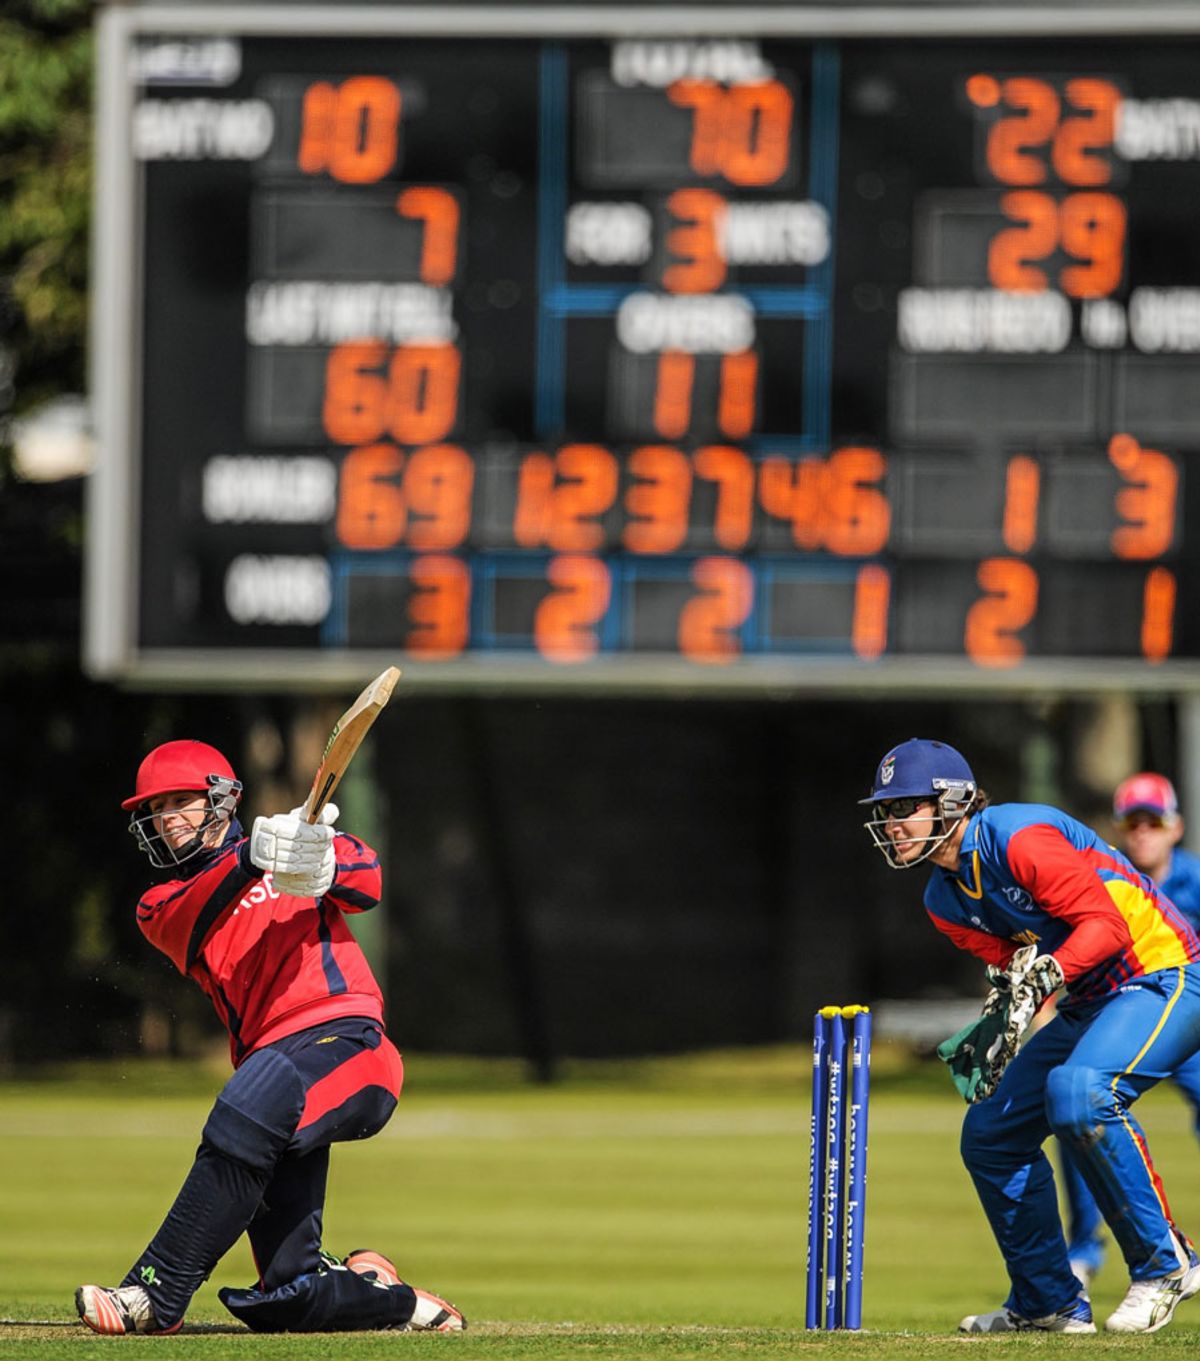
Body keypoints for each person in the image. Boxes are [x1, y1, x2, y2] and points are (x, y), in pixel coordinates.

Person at [75, 739, 465, 1335]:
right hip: (273, 1079)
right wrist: (253, 859)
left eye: (181, 801)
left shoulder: (294, 853)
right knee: (288, 1295)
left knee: (254, 1093)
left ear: (222, 800)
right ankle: (391, 1298)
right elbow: (200, 907)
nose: (167, 818)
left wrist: (325, 860)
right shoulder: (160, 905)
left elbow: (369, 881)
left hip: (350, 1046)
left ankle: (153, 1292)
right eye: (156, 809)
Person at [861, 738, 1200, 1335]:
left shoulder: (1017, 837)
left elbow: (1107, 927)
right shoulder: (942, 900)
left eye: (905, 806)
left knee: (1080, 1091)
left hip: (1163, 971)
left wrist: (1047, 975)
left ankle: (1166, 1263)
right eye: (886, 811)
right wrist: (1008, 1012)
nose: (892, 823)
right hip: (1092, 999)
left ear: (953, 801)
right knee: (991, 1135)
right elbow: (1020, 970)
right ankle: (1049, 1301)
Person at [1059, 772, 1200, 1289]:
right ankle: (1082, 1251)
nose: (1143, 832)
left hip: (1183, 1020)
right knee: (1074, 1105)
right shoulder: (1105, 880)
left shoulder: (1195, 880)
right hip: (1115, 1017)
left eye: (1153, 822)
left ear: (1175, 828)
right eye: (1133, 823)